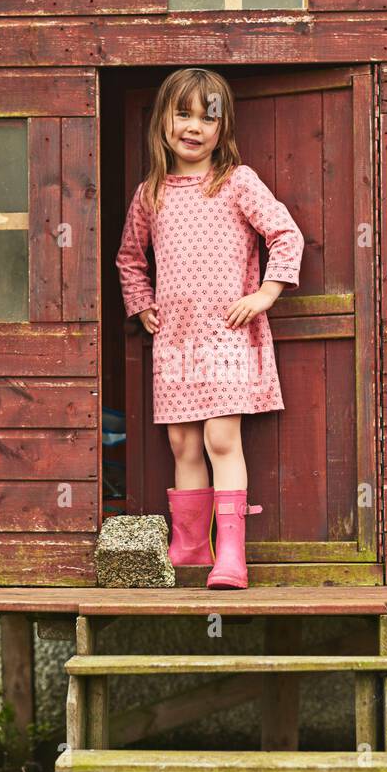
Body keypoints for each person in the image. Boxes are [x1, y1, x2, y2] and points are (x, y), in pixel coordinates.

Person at [115, 67, 304, 589]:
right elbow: (130, 258)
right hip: (175, 339)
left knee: (222, 438)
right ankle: (191, 546)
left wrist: (265, 294)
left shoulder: (235, 181)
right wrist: (142, 303)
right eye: (183, 113)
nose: (193, 126)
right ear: (163, 121)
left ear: (223, 129)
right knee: (182, 445)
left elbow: (285, 234)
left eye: (207, 117)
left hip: (224, 334)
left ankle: (231, 555)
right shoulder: (150, 192)